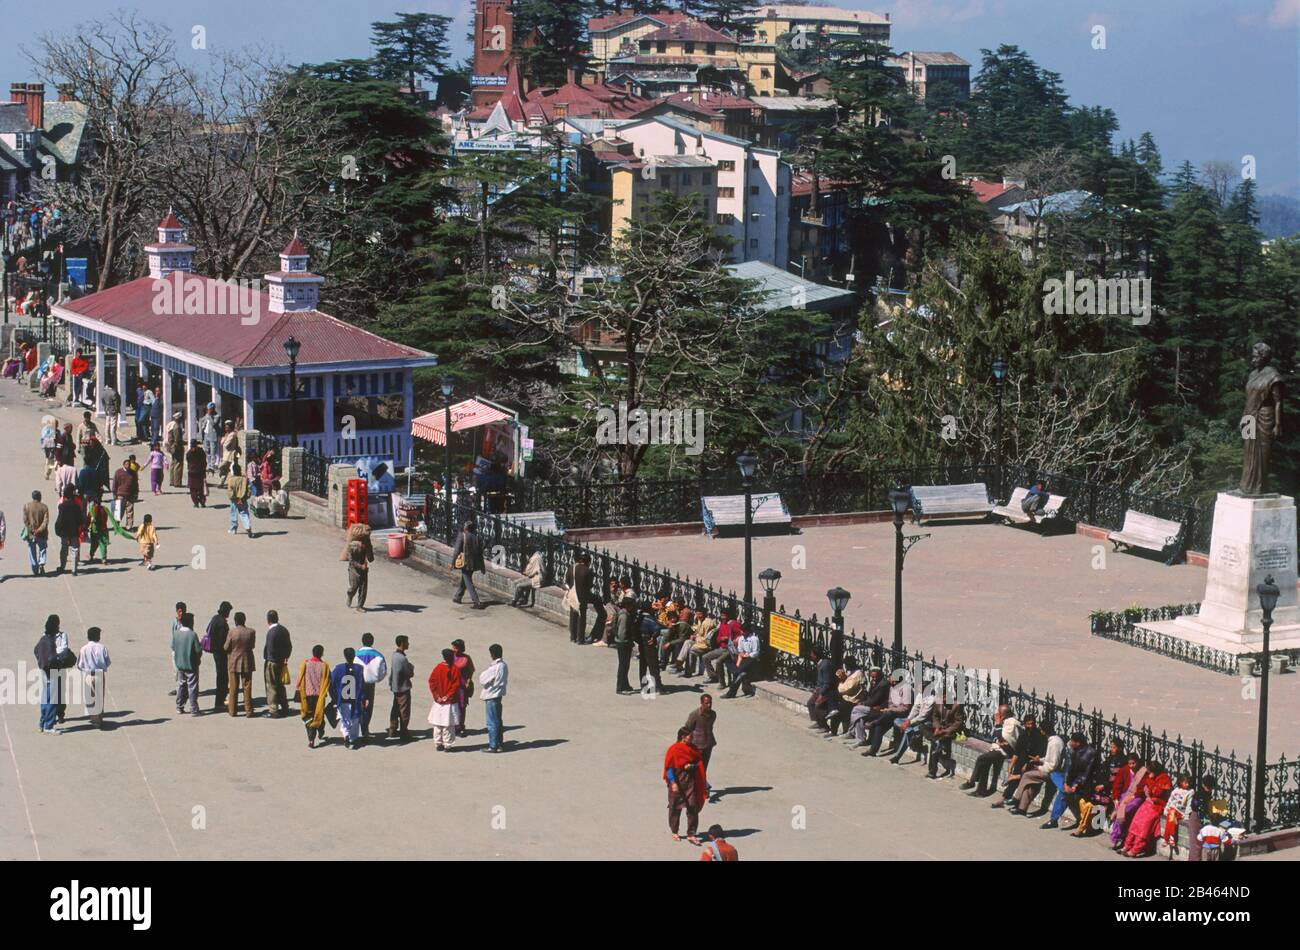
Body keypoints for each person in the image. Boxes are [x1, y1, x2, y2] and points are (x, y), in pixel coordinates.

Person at [961, 705, 1022, 797]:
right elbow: (998, 739)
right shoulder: (1005, 721)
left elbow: (1002, 739)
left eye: (999, 712)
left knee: (981, 758)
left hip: (1005, 751)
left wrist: (997, 723)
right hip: (997, 748)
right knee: (985, 764)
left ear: (1003, 714)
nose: (997, 714)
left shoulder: (1011, 723)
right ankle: (981, 791)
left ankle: (972, 781)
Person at [1042, 732, 1098, 830]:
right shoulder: (1072, 750)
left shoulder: (1090, 753)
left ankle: (1054, 820)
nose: (1070, 743)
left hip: (1084, 782)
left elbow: (1087, 773)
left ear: (1078, 743)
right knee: (1054, 775)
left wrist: (1076, 784)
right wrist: (1066, 783)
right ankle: (1055, 817)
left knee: (1063, 794)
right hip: (1070, 780)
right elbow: (1068, 768)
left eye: (1072, 741)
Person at [663, 727, 708, 844]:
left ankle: (691, 834)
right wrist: (673, 782)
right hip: (678, 783)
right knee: (675, 808)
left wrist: (691, 766)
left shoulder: (693, 749)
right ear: (683, 737)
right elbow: (669, 768)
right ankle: (674, 831)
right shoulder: (674, 749)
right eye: (690, 736)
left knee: (692, 808)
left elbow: (699, 763)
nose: (692, 738)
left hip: (690, 783)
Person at [1121, 761, 1173, 857]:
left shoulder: (1164, 779)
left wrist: (1150, 781)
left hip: (1156, 805)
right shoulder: (1151, 777)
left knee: (1144, 826)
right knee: (1136, 821)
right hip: (1148, 803)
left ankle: (1135, 849)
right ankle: (1127, 845)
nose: (1148, 774)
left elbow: (1156, 792)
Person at [1011, 724, 1065, 815]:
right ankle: (1022, 809)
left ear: (1043, 731)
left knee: (1026, 775)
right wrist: (1039, 760)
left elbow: (1053, 764)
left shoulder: (1054, 743)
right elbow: (1049, 759)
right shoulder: (1053, 740)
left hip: (1052, 773)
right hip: (1048, 769)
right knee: (1031, 784)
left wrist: (1039, 767)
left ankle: (1016, 798)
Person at [34, 615, 68, 733]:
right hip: (53, 670)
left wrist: (42, 661)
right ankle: (48, 725)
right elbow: (62, 651)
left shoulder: (44, 638)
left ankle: (42, 723)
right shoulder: (50, 641)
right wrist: (53, 658)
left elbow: (36, 650)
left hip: (45, 670)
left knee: (46, 696)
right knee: (52, 698)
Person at [1109, 754, 1149, 849]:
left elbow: (1142, 788)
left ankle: (1118, 836)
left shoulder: (1143, 772)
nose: (1131, 766)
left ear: (1137, 762)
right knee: (1120, 810)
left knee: (1125, 811)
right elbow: (1117, 785)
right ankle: (1116, 838)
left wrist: (1133, 796)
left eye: (1133, 763)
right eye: (1129, 763)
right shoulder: (1124, 770)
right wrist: (1116, 798)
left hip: (1136, 796)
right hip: (1125, 794)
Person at [296, 645, 331, 749]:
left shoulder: (305, 664)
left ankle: (311, 739)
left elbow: (299, 680)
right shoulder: (324, 666)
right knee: (319, 715)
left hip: (307, 696)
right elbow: (328, 681)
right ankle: (320, 730)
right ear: (322, 653)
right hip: (319, 697)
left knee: (308, 717)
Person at [427, 648, 463, 750]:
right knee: (449, 725)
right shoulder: (455, 669)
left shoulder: (438, 668)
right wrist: (447, 696)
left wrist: (437, 696)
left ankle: (438, 743)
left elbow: (432, 682)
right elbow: (456, 685)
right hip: (449, 702)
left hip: (438, 702)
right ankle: (448, 744)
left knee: (437, 724)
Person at [330, 647, 365, 750]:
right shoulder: (359, 668)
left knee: (344, 719)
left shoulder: (338, 668)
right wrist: (364, 697)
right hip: (355, 699)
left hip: (343, 698)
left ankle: (346, 735)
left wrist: (334, 697)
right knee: (355, 718)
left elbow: (331, 683)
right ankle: (353, 738)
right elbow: (362, 684)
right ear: (354, 656)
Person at [684, 694, 718, 798]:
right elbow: (687, 728)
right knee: (696, 768)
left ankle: (702, 787)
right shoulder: (694, 715)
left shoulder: (713, 714)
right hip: (696, 746)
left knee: (703, 768)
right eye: (706, 703)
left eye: (710, 703)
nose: (709, 705)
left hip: (708, 744)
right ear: (701, 703)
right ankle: (701, 787)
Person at [76, 627, 111, 728]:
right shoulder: (102, 647)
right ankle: (100, 716)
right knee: (100, 696)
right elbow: (107, 662)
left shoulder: (83, 648)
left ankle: (95, 720)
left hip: (88, 674)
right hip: (99, 674)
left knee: (90, 698)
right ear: (98, 636)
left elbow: (79, 665)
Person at [355, 633, 388, 739]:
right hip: (370, 685)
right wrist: (377, 679)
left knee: (359, 705)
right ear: (372, 642)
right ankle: (366, 728)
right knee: (368, 707)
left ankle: (361, 727)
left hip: (358, 684)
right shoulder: (378, 655)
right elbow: (383, 671)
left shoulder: (356, 654)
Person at [225, 611, 256, 717]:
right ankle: (249, 710)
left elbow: (226, 647)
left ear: (235, 621)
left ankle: (232, 711)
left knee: (233, 687)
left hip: (234, 661)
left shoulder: (232, 632)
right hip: (247, 660)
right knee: (247, 686)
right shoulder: (251, 632)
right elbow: (252, 646)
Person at [925, 698, 965, 779]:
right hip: (939, 729)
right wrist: (937, 727)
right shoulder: (938, 702)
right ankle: (932, 770)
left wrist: (945, 731)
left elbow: (958, 722)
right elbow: (935, 716)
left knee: (936, 741)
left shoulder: (957, 705)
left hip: (950, 731)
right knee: (924, 728)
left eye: (945, 698)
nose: (943, 700)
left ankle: (932, 771)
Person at [450, 520, 486, 609]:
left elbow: (456, 551)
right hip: (474, 563)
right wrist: (482, 566)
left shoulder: (462, 536)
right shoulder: (477, 538)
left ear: (465, 528)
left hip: (465, 563)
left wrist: (452, 563)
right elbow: (480, 554)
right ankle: (458, 597)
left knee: (468, 581)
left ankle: (477, 602)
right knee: (465, 579)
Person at [171, 612, 202, 715]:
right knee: (192, 686)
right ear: (190, 622)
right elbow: (198, 651)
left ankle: (179, 706)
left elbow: (173, 647)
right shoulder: (192, 635)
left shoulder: (176, 633)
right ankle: (193, 708)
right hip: (191, 665)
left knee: (181, 685)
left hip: (180, 664)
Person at [479, 643, 508, 752]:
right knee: (498, 721)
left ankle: (493, 746)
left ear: (492, 654)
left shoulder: (494, 667)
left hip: (491, 696)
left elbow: (482, 679)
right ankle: (499, 743)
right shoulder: (504, 665)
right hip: (498, 696)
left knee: (491, 722)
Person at [263, 609, 292, 717]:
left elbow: (269, 649)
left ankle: (273, 710)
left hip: (272, 662)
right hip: (282, 661)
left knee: (271, 686)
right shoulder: (284, 630)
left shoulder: (271, 632)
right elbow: (289, 646)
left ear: (268, 620)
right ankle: (285, 707)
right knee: (280, 685)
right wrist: (285, 657)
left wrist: (269, 658)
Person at [702, 606, 740, 686]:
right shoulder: (722, 624)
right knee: (705, 657)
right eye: (722, 615)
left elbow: (738, 636)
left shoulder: (733, 624)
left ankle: (722, 682)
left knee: (719, 661)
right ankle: (712, 676)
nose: (722, 617)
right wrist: (721, 639)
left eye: (724, 615)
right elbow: (718, 638)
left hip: (729, 649)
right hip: (721, 648)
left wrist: (730, 639)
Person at [205, 602, 232, 712]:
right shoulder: (222, 623)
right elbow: (223, 641)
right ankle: (219, 701)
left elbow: (208, 630)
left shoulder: (215, 618)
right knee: (222, 677)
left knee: (220, 675)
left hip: (215, 652)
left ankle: (221, 699)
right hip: (221, 653)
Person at [387, 635, 414, 742]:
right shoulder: (402, 659)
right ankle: (404, 733)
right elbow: (409, 673)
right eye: (407, 642)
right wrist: (411, 667)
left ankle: (392, 729)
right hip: (403, 689)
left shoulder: (394, 656)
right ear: (402, 643)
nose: (408, 644)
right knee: (404, 711)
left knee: (395, 709)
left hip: (395, 687)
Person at [723, 622, 760, 699]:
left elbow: (756, 652)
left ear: (748, 631)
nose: (742, 632)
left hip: (751, 660)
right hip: (743, 658)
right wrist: (742, 654)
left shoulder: (754, 639)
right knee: (730, 664)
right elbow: (740, 650)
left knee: (740, 674)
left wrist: (748, 655)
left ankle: (731, 693)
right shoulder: (741, 639)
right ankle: (732, 691)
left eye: (743, 631)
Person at [635, 602, 665, 693]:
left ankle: (643, 685)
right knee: (653, 666)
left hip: (641, 644)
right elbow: (657, 629)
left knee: (643, 666)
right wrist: (653, 637)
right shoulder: (649, 619)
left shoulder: (638, 618)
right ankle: (658, 686)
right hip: (649, 645)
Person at [54, 488, 85, 576]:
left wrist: (58, 530)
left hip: (64, 533)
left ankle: (62, 566)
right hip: (74, 532)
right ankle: (74, 569)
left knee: (64, 549)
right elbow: (80, 520)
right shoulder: (76, 507)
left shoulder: (62, 506)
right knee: (74, 550)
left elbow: (59, 520)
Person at [342, 523, 373, 609]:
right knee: (353, 587)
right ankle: (350, 595)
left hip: (363, 569)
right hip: (353, 570)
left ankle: (359, 606)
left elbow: (370, 557)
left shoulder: (366, 544)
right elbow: (351, 560)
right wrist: (360, 566)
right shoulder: (352, 546)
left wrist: (369, 550)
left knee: (363, 589)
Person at [1163, 773, 1195, 852]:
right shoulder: (1176, 790)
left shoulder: (1190, 792)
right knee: (1171, 818)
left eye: (1188, 782)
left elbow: (1189, 805)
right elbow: (1170, 800)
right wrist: (1166, 808)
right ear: (1180, 782)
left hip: (1180, 811)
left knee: (1171, 817)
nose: (1187, 784)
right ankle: (1171, 838)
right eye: (1185, 782)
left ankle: (1167, 838)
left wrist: (1187, 816)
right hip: (1173, 809)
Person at [567, 551, 594, 643]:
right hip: (582, 597)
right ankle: (580, 638)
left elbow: (567, 581)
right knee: (581, 618)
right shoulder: (588, 571)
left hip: (573, 596)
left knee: (573, 615)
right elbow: (590, 585)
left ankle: (573, 636)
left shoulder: (571, 568)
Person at [21, 490, 50, 577]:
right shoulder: (45, 507)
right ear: (40, 497)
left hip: (31, 534)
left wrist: (32, 529)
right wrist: (39, 530)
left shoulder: (26, 506)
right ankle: (41, 563)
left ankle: (34, 568)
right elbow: (45, 522)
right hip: (42, 533)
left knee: (31, 550)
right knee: (43, 549)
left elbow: (25, 520)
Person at [612, 596, 637, 694]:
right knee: (623, 665)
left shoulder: (623, 613)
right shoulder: (624, 616)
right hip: (623, 644)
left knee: (626, 665)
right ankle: (620, 687)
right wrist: (627, 642)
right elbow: (622, 633)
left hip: (623, 643)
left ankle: (625, 684)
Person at [450, 639, 475, 736]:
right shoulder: (451, 657)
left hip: (462, 686)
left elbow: (471, 670)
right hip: (452, 685)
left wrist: (468, 680)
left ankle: (461, 727)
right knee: (452, 706)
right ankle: (453, 726)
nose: (454, 650)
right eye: (453, 648)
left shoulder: (467, 658)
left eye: (456, 648)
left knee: (462, 706)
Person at [227, 462, 253, 537]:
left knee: (233, 513)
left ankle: (233, 529)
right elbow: (249, 489)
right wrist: (247, 496)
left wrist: (231, 497)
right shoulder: (244, 479)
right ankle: (248, 527)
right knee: (244, 513)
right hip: (242, 499)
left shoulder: (231, 480)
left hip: (234, 499)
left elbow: (230, 490)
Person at [112, 456, 139, 529]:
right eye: (126, 464)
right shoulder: (118, 472)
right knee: (118, 511)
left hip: (130, 495)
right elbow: (115, 483)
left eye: (129, 464)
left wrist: (136, 493)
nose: (128, 466)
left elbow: (136, 484)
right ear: (123, 465)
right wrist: (114, 494)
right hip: (120, 495)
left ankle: (129, 526)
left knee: (130, 511)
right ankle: (116, 526)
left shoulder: (133, 473)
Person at [198, 403, 221, 473]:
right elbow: (202, 420)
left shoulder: (217, 416)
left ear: (213, 409)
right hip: (206, 435)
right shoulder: (207, 415)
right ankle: (209, 464)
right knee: (207, 451)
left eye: (210, 409)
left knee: (213, 452)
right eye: (208, 409)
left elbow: (214, 424)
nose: (209, 411)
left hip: (213, 436)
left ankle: (212, 465)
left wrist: (210, 416)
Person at [185, 441, 207, 507]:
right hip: (198, 472)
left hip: (194, 473)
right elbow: (204, 462)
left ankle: (197, 502)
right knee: (199, 488)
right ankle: (200, 502)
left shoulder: (189, 453)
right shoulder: (201, 451)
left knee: (194, 489)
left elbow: (188, 461)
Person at [164, 414, 184, 488]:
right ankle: (177, 482)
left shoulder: (172, 425)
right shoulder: (177, 427)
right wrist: (179, 448)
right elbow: (178, 439)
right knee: (178, 464)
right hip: (176, 447)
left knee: (173, 463)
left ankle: (172, 481)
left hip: (171, 447)